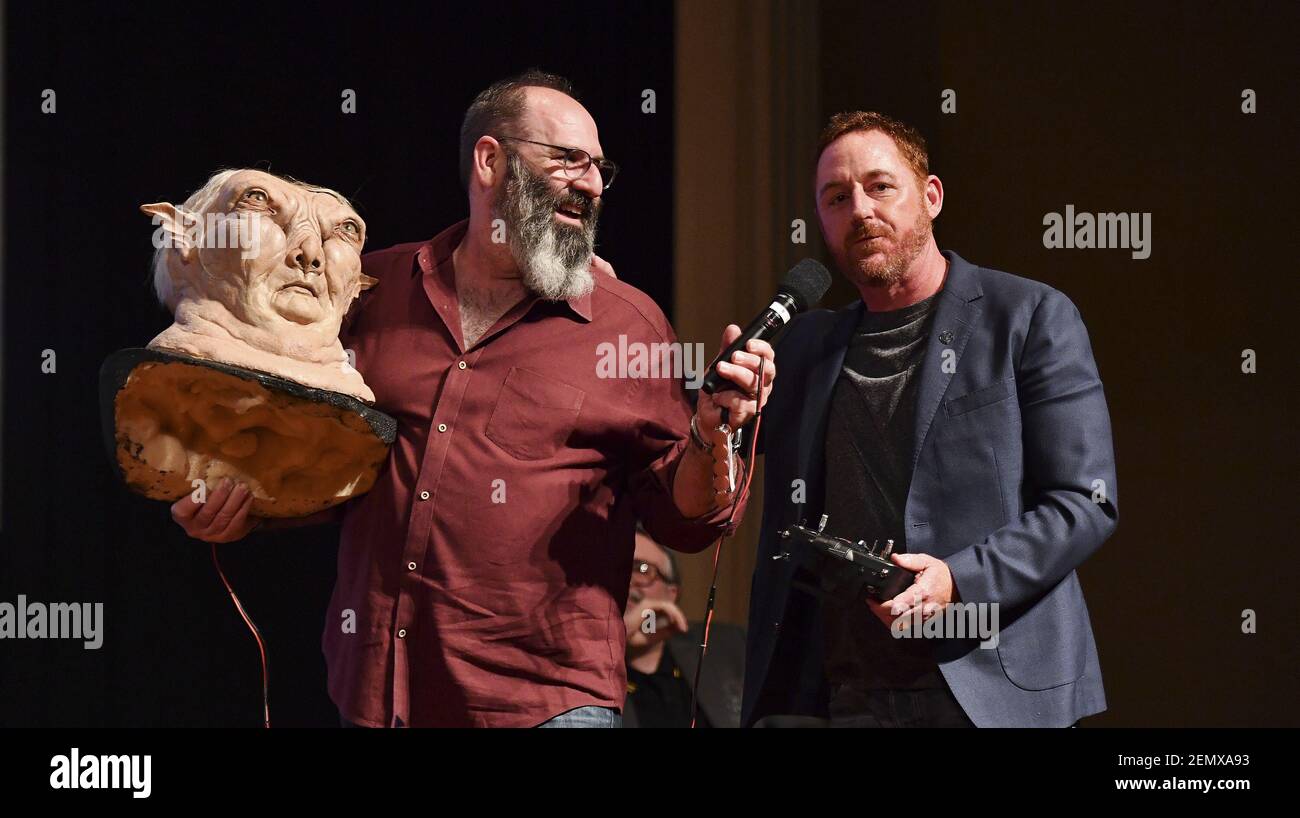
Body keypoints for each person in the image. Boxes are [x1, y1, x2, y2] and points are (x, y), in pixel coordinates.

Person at [170, 70, 775, 728]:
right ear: (490, 161)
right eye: (569, 160)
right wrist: (242, 502)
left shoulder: (628, 327)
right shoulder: (376, 290)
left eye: (601, 168)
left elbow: (682, 520)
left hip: (545, 705)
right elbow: (321, 452)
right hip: (379, 697)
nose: (593, 184)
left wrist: (715, 436)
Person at [743, 111, 1117, 728]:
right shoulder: (804, 346)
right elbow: (711, 489)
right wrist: (722, 413)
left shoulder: (1027, 316)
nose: (860, 209)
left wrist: (958, 582)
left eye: (880, 186)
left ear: (932, 196)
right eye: (837, 198)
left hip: (996, 691)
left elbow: (1085, 501)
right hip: (846, 695)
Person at [622, 526, 745, 728]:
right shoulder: (584, 664)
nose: (626, 581)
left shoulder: (729, 645)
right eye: (618, 569)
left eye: (643, 569)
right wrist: (617, 641)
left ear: (671, 593)